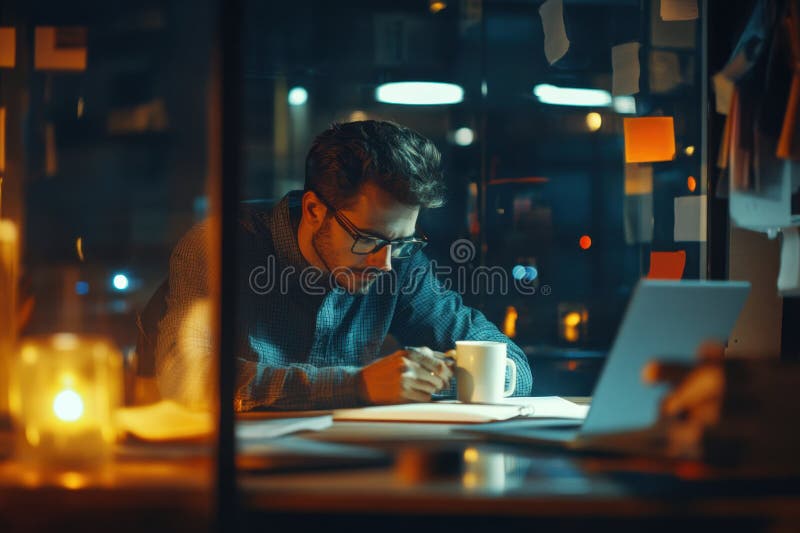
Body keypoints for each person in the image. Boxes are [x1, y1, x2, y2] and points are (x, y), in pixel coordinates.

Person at [155, 120, 533, 411]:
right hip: (238, 480)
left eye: (401, 242)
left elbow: (513, 365)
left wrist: (420, 379)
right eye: (367, 238)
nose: (384, 263)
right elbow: (184, 376)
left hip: (359, 473)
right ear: (314, 210)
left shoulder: (399, 260)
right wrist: (358, 385)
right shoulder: (219, 247)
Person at [644, 342, 800, 469]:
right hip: (770, 432)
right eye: (662, 375)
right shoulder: (676, 403)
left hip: (780, 395)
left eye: (666, 368)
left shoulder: (710, 368)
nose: (669, 372)